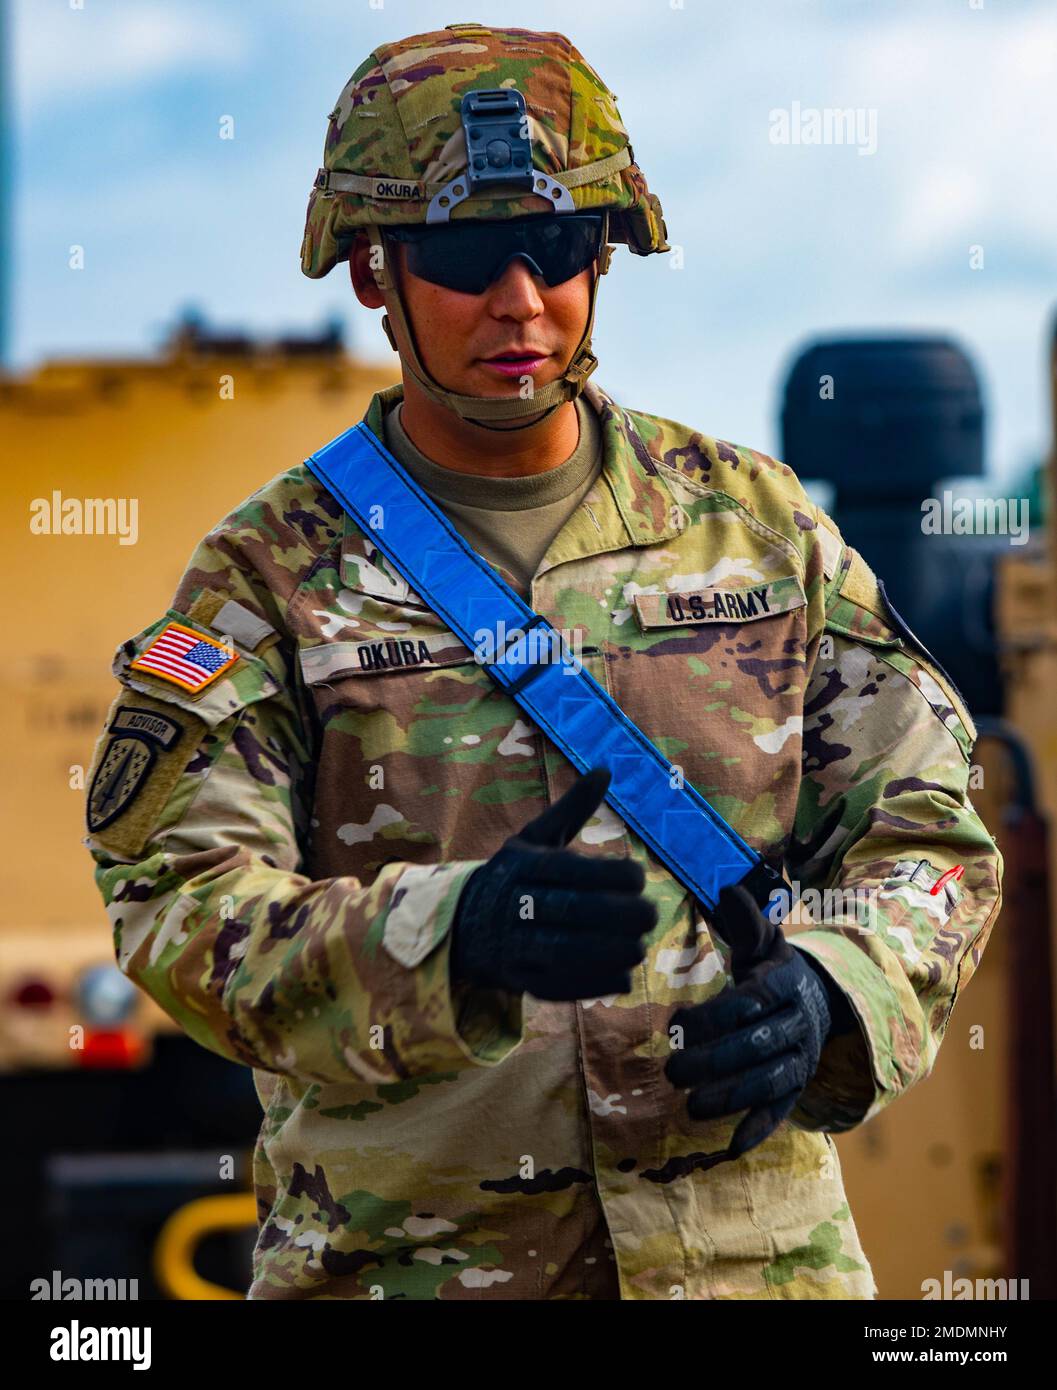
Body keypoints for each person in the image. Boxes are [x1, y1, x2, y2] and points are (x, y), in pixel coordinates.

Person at [83, 22, 1002, 1301]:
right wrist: (452, 934)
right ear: (372, 269)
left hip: (748, 1272)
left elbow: (929, 834)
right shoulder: (267, 579)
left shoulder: (759, 528)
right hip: (405, 1270)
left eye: (562, 246)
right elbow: (178, 905)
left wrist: (836, 990)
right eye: (465, 256)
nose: (521, 300)